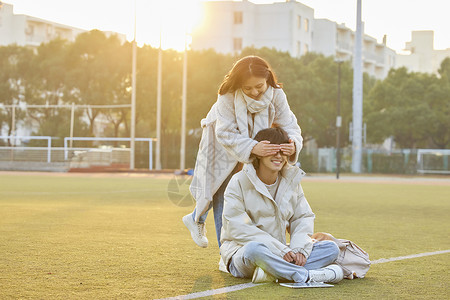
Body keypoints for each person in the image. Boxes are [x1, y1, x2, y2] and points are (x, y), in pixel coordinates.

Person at [183, 56, 303, 251]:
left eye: (259, 86)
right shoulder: (227, 95)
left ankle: (197, 216)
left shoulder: (277, 94)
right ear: (239, 84)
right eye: (248, 88)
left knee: (252, 188)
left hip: (256, 143)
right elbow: (225, 132)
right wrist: (253, 147)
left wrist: (292, 145)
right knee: (222, 186)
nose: (254, 92)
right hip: (223, 142)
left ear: (268, 80)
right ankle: (225, 248)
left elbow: (289, 125)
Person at [220, 127, 344, 283]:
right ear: (258, 152)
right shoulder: (238, 182)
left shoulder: (290, 181)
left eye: (283, 151)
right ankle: (304, 276)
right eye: (272, 150)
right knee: (254, 250)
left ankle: (271, 271)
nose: (278, 156)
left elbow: (302, 218)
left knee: (330, 248)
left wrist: (300, 250)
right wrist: (278, 249)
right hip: (243, 252)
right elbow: (238, 227)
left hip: (280, 252)